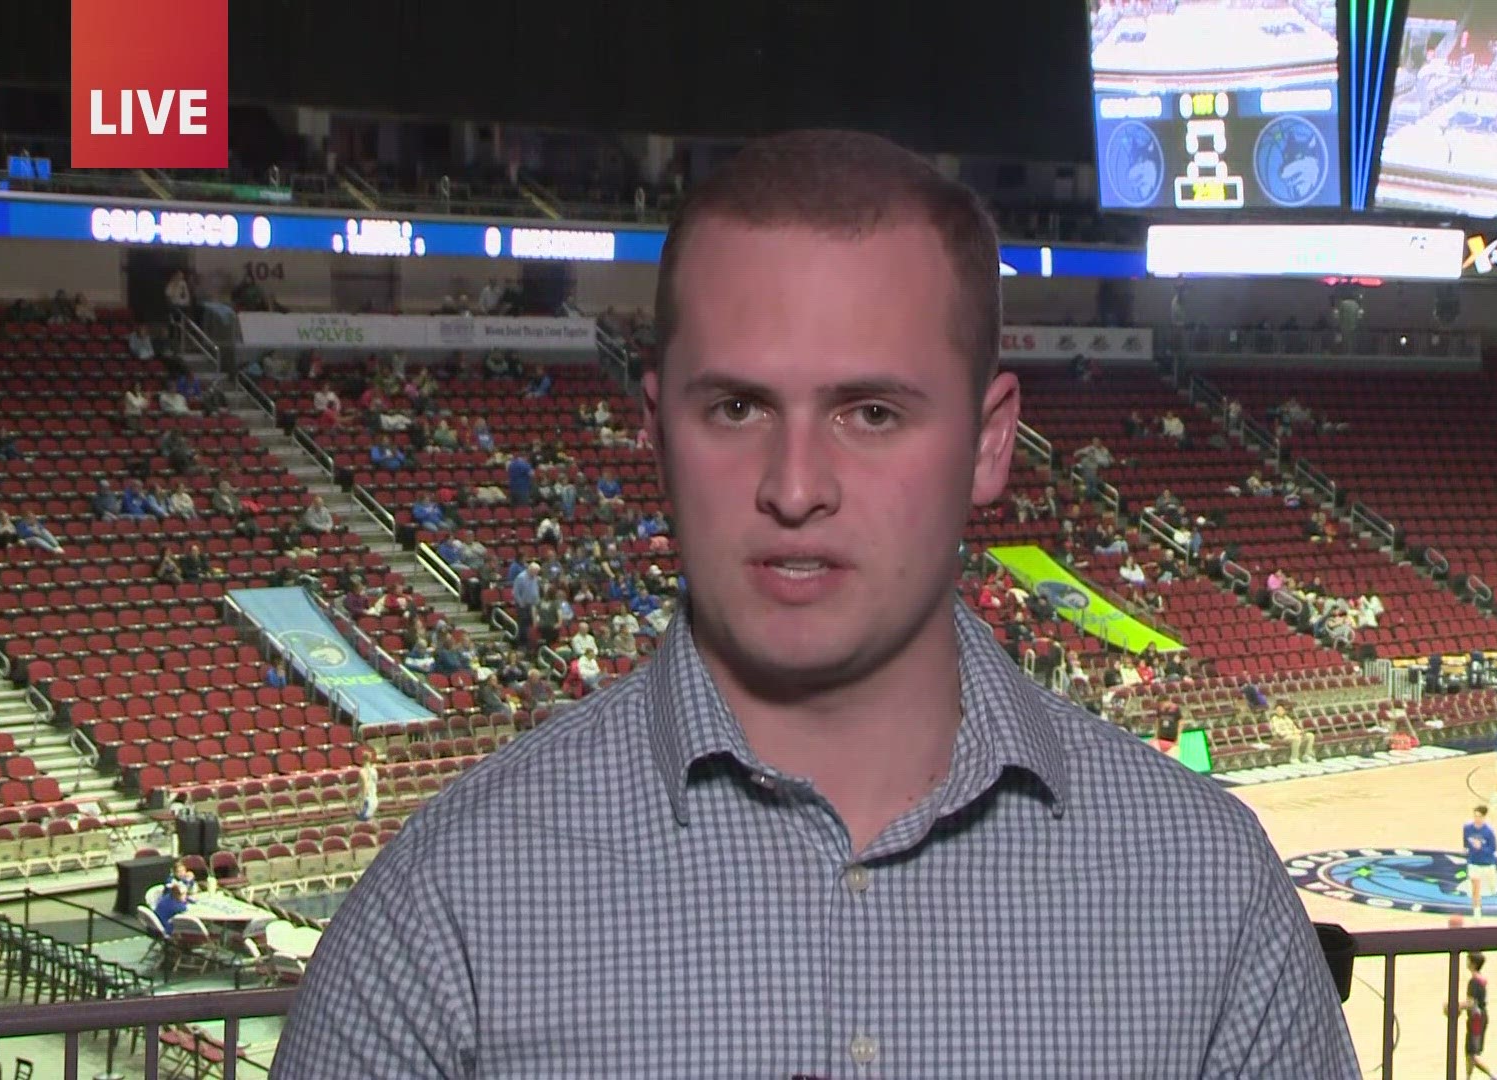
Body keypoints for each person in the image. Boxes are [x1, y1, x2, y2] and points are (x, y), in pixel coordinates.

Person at [274, 129, 1359, 1077]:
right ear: (655, 430)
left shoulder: (1208, 889)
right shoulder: (444, 909)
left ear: (989, 443)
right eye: (738, 406)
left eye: (873, 412)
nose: (795, 488)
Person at [1460, 950, 1492, 1079]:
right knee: (1469, 1053)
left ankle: (1494, 1076)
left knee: (1472, 1054)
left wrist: (1455, 1006)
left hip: (1476, 1019)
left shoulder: (1473, 981)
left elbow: (1471, 1003)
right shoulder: (1481, 980)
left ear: (1472, 963)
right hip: (1480, 1017)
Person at [1462, 804, 1497, 921]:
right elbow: (1465, 841)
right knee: (1475, 888)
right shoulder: (1467, 828)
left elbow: (1493, 849)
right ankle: (1477, 911)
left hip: (1487, 863)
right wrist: (1466, 849)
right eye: (1475, 816)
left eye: (1479, 816)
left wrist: (1480, 848)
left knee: (1492, 889)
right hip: (1473, 863)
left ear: (1484, 817)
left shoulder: (1489, 832)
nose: (1476, 818)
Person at [357, 748, 379, 823]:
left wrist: (361, 802)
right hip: (374, 799)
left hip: (367, 800)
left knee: (362, 823)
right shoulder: (374, 770)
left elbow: (365, 786)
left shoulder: (362, 772)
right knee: (370, 822)